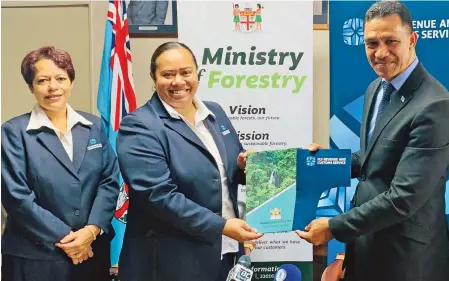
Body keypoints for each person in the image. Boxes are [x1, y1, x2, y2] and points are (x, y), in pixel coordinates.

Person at [296, 2, 449, 281]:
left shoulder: (435, 106)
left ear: (412, 40)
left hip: (406, 258)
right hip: (366, 245)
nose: (380, 53)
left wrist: (333, 227)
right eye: (371, 43)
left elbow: (404, 198)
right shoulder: (376, 88)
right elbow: (372, 160)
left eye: (391, 41)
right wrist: (320, 162)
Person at [116, 42, 263, 281]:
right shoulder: (140, 125)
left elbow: (226, 173)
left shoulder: (214, 113)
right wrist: (222, 226)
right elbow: (158, 195)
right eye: (167, 74)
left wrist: (245, 166)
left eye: (185, 72)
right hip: (170, 261)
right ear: (154, 78)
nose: (178, 81)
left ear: (197, 73)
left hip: (222, 252)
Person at [1, 46, 120, 281]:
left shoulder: (93, 125)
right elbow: (17, 198)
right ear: (31, 87)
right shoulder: (14, 132)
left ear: (71, 82)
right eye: (42, 80)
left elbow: (109, 181)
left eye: (60, 78)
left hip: (92, 252)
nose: (52, 87)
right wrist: (70, 239)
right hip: (37, 258)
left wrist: (91, 230)